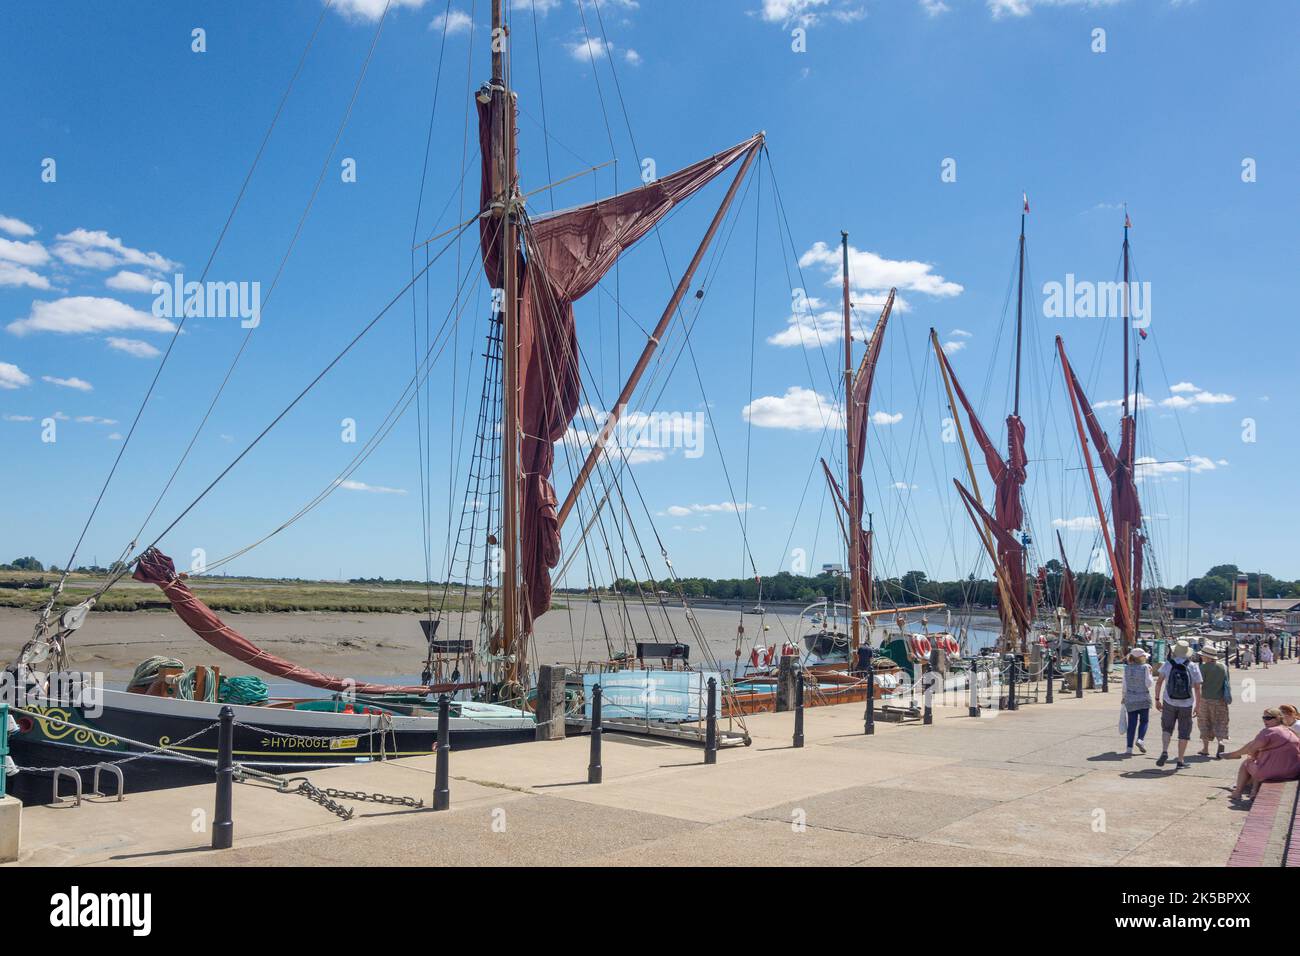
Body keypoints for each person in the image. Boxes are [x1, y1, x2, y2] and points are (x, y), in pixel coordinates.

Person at [1223, 708, 1300, 802]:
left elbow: (1251, 750)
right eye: (1263, 717)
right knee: (1260, 759)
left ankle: (1237, 793)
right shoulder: (1290, 731)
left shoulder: (1268, 731)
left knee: (1246, 763)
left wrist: (1253, 756)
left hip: (1275, 773)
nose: (1264, 720)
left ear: (1277, 718)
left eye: (1268, 718)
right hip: (1294, 772)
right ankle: (1253, 791)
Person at [1154, 639, 1202, 769]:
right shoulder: (1193, 666)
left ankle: (1164, 751)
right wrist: (1197, 706)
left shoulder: (1168, 664)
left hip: (1169, 701)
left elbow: (1159, 682)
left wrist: (1157, 699)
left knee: (1167, 728)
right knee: (1184, 732)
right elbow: (1197, 688)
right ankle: (1180, 760)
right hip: (1186, 704)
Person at [1196, 644, 1231, 758]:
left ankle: (1205, 749)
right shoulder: (1223, 667)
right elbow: (1227, 682)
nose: (1201, 657)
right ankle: (1220, 742)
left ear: (1207, 657)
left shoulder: (1203, 667)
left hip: (1206, 699)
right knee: (1220, 722)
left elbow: (1198, 683)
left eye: (1203, 656)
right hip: (1220, 700)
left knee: (1204, 723)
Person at [1120, 647, 1153, 755]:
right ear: (1142, 657)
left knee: (1132, 723)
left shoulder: (1126, 668)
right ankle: (1140, 739)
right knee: (1144, 721)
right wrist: (1151, 674)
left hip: (1130, 697)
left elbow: (1124, 685)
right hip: (1143, 697)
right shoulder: (1145, 668)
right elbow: (1149, 684)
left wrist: (1123, 696)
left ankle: (1129, 748)